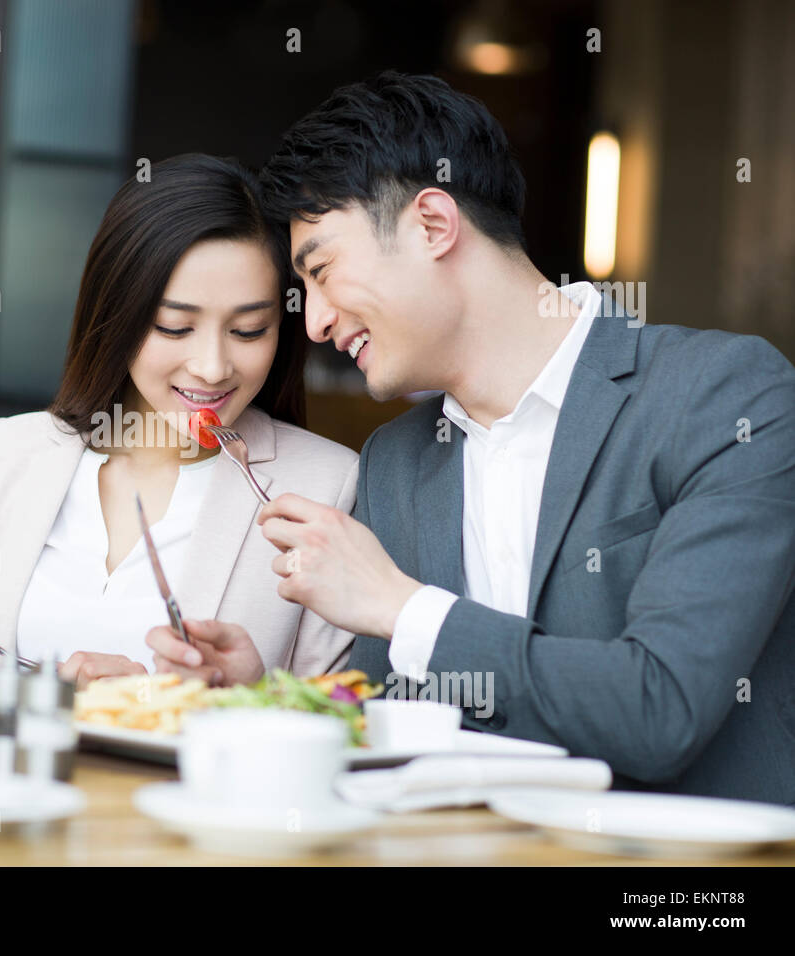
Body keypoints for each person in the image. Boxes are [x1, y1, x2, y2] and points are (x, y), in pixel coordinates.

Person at [149, 73, 795, 805]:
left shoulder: (725, 396)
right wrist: (262, 698)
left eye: (323, 272)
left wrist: (402, 605)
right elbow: (401, 724)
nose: (317, 323)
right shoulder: (394, 463)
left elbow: (662, 710)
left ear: (432, 223)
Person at [0, 154, 359, 687]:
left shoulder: (326, 486)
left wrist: (220, 700)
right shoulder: (7, 456)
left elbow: (338, 717)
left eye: (249, 330)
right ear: (115, 315)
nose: (212, 367)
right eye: (174, 327)